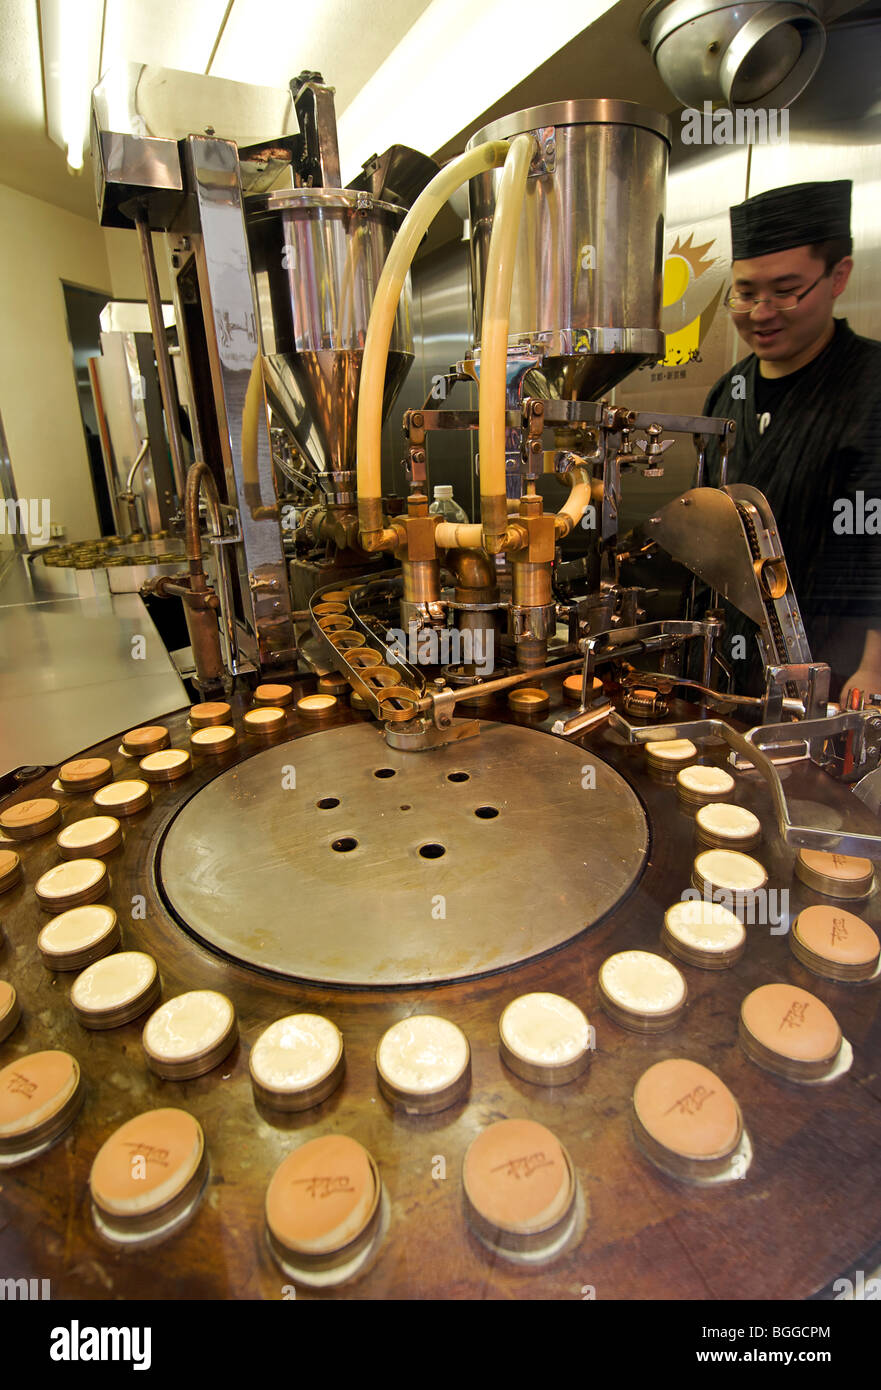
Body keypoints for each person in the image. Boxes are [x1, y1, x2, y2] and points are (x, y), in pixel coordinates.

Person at [702, 179, 881, 702]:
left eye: (785, 291)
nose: (760, 313)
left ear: (838, 275)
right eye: (746, 292)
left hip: (841, 672)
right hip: (734, 670)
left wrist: (873, 671)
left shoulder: (871, 385)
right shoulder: (726, 394)